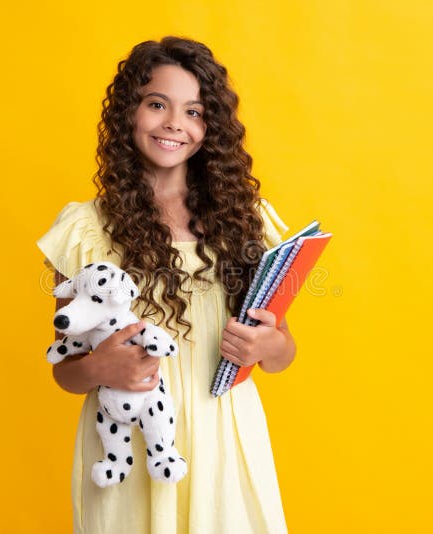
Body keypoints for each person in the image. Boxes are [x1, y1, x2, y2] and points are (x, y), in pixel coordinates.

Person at [36, 36, 296, 534]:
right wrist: (98, 366)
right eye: (158, 104)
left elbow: (283, 353)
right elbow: (64, 372)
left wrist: (267, 343)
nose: (175, 123)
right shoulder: (84, 229)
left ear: (211, 128)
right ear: (129, 112)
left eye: (194, 111)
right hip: (128, 446)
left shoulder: (246, 221)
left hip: (225, 435)